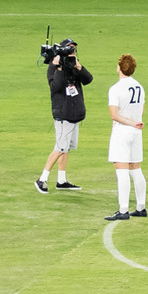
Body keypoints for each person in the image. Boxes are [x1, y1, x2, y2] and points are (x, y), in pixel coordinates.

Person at [38, 40, 91, 194]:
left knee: (65, 148)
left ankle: (61, 180)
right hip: (63, 113)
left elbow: (88, 79)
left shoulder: (73, 65)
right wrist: (59, 68)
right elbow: (55, 87)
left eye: (74, 49)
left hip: (73, 113)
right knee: (60, 147)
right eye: (70, 49)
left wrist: (78, 67)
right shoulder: (53, 67)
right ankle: (42, 179)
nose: (72, 52)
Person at [103, 53, 146, 221]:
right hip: (136, 133)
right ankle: (141, 207)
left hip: (122, 132)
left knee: (122, 171)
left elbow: (114, 115)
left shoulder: (115, 89)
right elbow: (141, 110)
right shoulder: (139, 87)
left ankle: (123, 210)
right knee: (136, 169)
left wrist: (130, 122)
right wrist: (135, 122)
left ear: (119, 68)